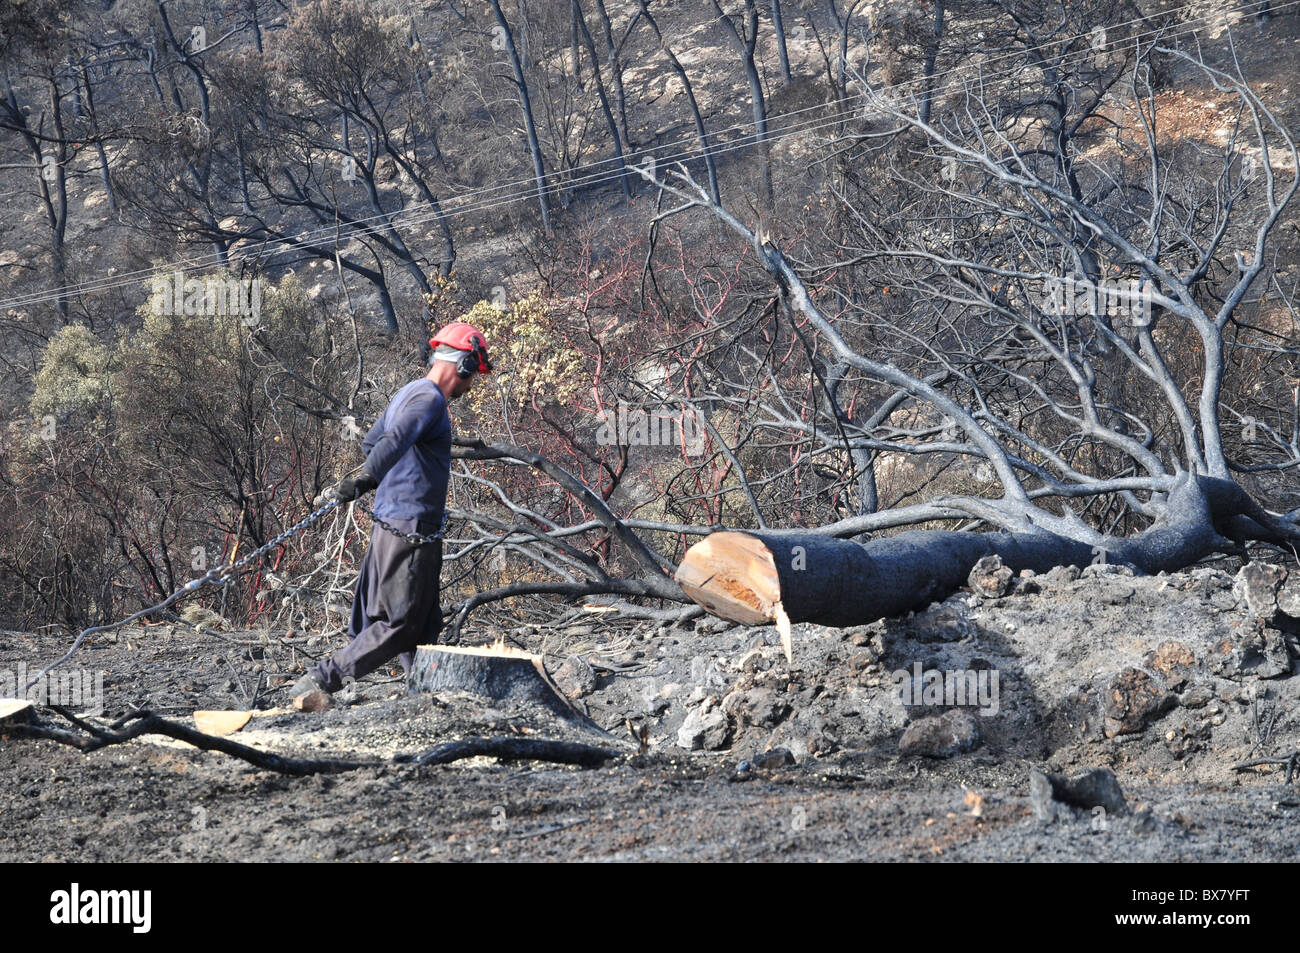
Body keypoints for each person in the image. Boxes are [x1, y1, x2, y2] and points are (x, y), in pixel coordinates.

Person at [289, 322, 492, 704]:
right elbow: (395, 440)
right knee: (398, 624)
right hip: (410, 529)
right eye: (473, 375)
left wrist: (404, 465)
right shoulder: (430, 399)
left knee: (425, 624)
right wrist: (368, 478)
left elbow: (374, 440)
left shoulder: (410, 393)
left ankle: (426, 697)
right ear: (463, 364)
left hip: (394, 525)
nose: (470, 385)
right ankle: (321, 679)